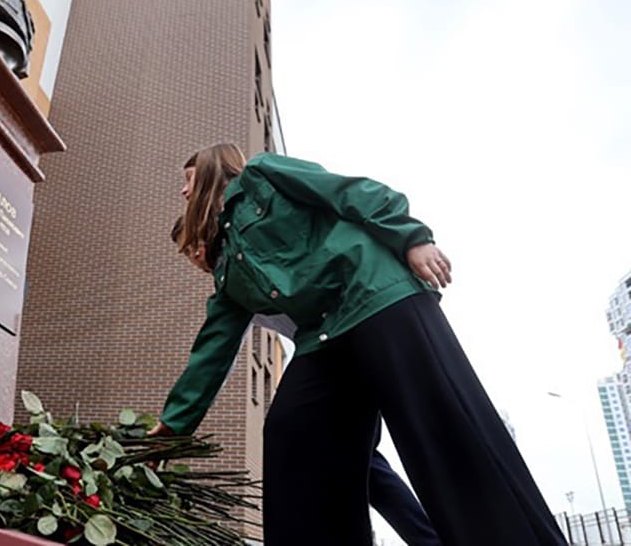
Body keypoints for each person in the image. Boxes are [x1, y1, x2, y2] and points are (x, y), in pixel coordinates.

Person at [152, 144, 566, 545]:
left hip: (374, 295)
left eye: (187, 180)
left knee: (440, 430)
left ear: (210, 171)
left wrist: (411, 238)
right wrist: (172, 428)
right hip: (323, 336)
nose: (184, 192)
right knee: (290, 434)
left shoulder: (263, 175)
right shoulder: (226, 270)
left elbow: (347, 191)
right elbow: (211, 352)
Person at [169, 217, 441, 545]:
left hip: (352, 339)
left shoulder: (250, 256)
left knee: (346, 458)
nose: (194, 256)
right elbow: (219, 353)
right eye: (186, 253)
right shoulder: (232, 285)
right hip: (334, 358)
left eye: (192, 245)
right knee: (367, 466)